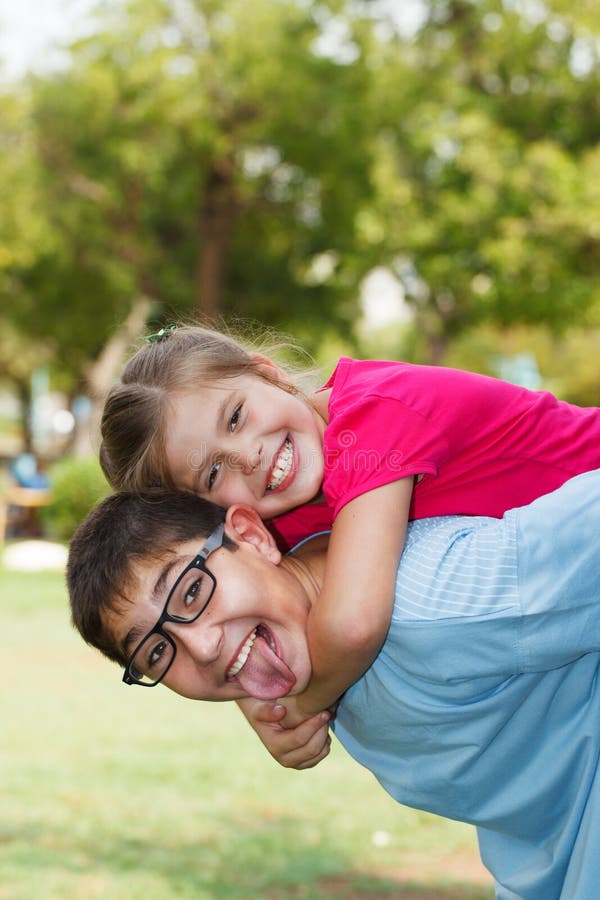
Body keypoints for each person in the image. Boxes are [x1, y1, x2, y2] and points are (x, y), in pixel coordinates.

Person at [68, 470, 600, 900]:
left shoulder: (429, 603)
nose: (201, 648)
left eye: (190, 592)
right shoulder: (311, 667)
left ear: (252, 536)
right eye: (158, 652)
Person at [98, 324, 600, 728]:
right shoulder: (283, 512)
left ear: (268, 374)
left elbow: (354, 624)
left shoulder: (372, 415)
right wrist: (253, 701)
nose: (247, 455)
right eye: (212, 473)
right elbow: (241, 611)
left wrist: (297, 708)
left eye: (235, 417)